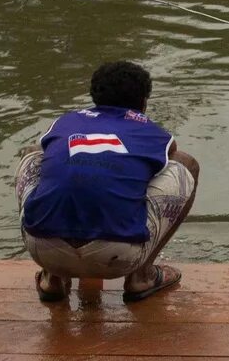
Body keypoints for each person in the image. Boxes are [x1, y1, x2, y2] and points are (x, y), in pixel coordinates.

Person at [16, 61, 199, 302]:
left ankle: (52, 278)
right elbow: (171, 156)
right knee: (187, 163)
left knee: (33, 153)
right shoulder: (153, 132)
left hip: (42, 249)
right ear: (144, 102)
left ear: (94, 96)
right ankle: (141, 276)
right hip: (118, 256)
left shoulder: (64, 122)